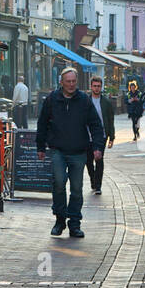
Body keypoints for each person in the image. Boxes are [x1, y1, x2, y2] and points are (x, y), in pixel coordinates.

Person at [36, 67, 105, 238]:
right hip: (58, 150)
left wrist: (98, 147)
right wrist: (40, 147)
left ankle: (74, 223)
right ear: (61, 82)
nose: (72, 84)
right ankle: (60, 220)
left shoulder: (84, 100)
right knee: (59, 183)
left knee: (76, 188)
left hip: (78, 151)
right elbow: (42, 123)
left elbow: (96, 124)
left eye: (74, 81)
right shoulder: (52, 99)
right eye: (68, 81)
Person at [87, 74, 116, 194]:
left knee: (99, 159)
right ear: (91, 87)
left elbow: (110, 120)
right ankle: (93, 180)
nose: (96, 88)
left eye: (98, 86)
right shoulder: (86, 101)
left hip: (102, 135)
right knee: (88, 161)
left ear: (101, 87)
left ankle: (98, 185)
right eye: (94, 86)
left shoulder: (106, 102)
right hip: (87, 135)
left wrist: (111, 137)